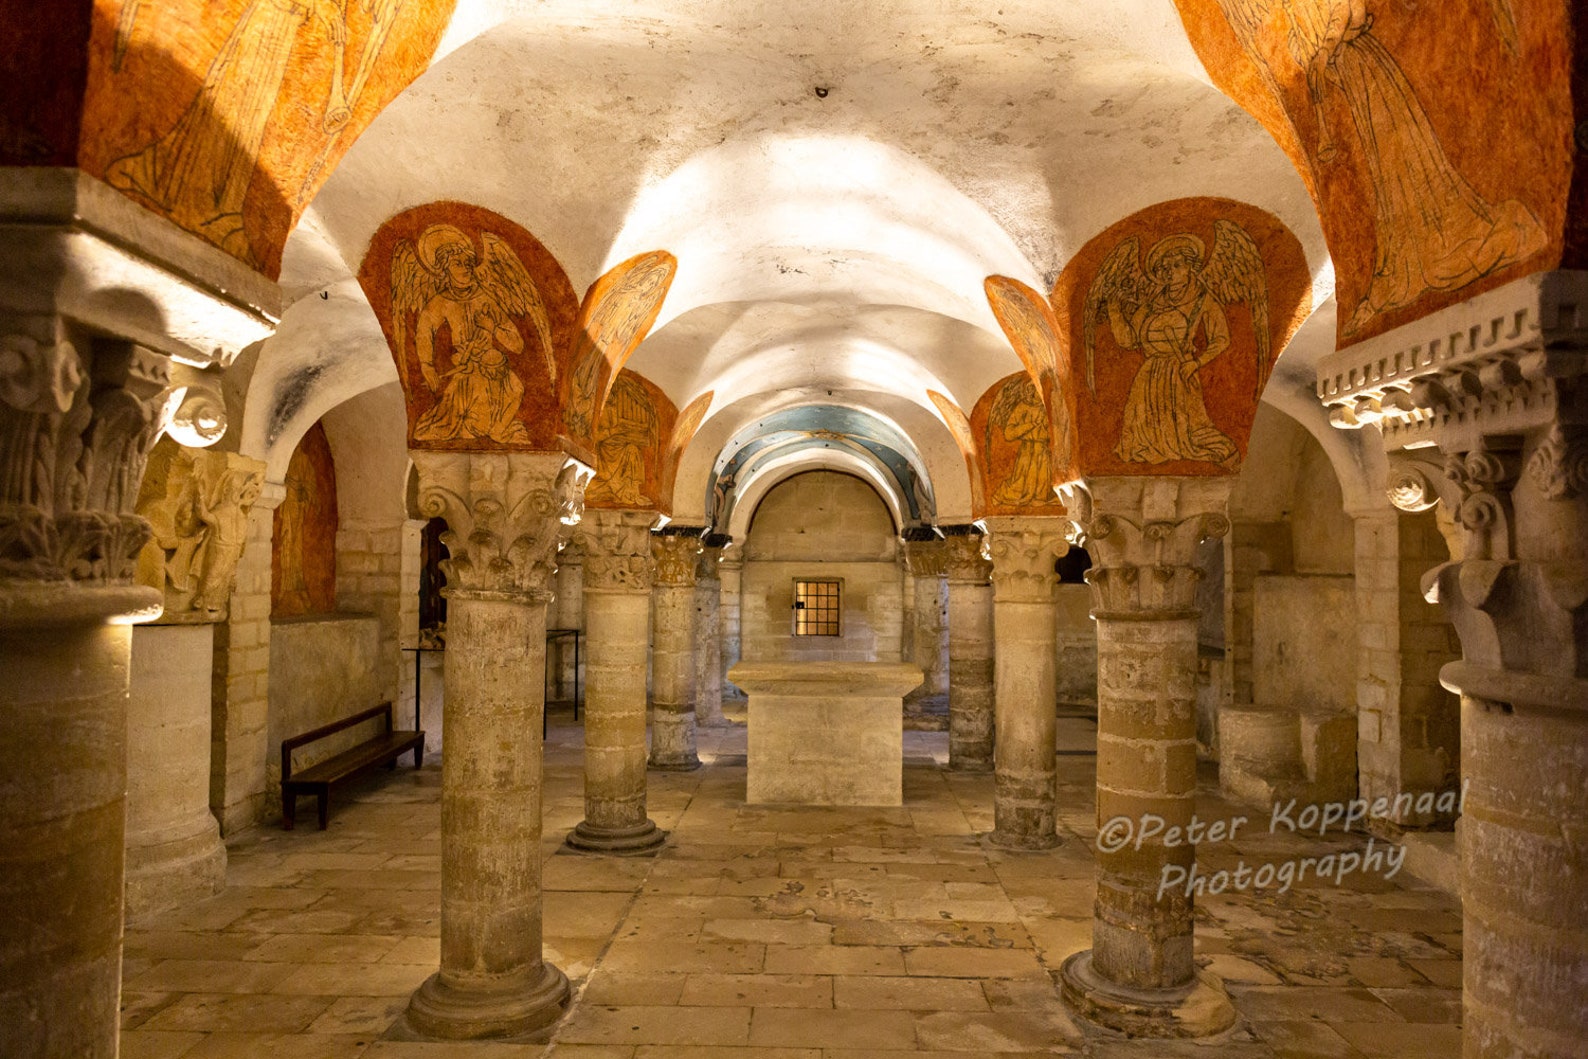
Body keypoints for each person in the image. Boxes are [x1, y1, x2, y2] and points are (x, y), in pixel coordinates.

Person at [1105, 236, 1239, 466]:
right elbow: (1129, 340)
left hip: (1179, 373)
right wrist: (1114, 310)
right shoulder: (1151, 305)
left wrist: (1196, 363)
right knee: (1139, 437)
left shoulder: (1202, 300)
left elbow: (1221, 338)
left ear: (1190, 268)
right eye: (1164, 268)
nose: (1170, 272)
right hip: (1148, 376)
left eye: (1177, 265)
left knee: (1193, 435)